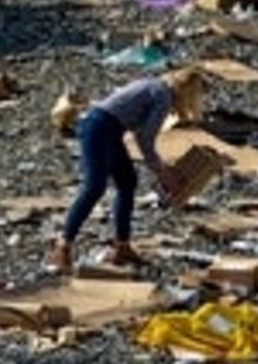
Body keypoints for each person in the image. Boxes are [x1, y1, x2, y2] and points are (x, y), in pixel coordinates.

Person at [49, 69, 205, 271]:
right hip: (99, 127)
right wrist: (162, 172)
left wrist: (160, 168)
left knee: (127, 181)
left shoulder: (154, 85)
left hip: (106, 126)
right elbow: (145, 139)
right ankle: (63, 245)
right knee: (94, 186)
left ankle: (122, 246)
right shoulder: (163, 96)